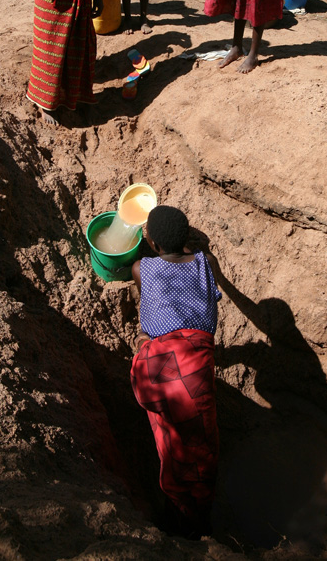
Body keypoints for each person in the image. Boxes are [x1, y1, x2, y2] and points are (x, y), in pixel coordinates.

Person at [130, 206, 221, 538]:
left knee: (172, 437)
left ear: (152, 244)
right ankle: (193, 520)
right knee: (201, 452)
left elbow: (150, 304)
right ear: (188, 240)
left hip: (157, 372)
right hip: (194, 373)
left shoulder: (142, 268)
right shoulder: (206, 264)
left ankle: (176, 516)